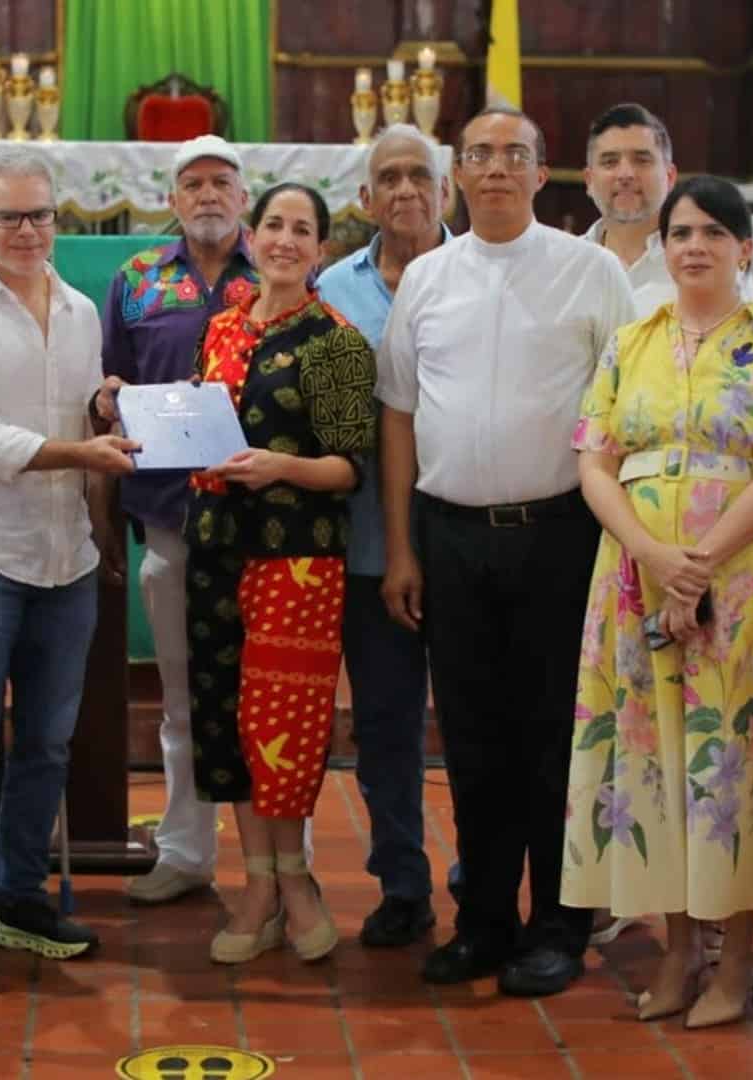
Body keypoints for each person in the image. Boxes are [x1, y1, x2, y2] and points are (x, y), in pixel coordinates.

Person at [378, 107, 637, 997]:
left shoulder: (592, 272)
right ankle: (483, 920)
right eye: (480, 155)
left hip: (560, 536)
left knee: (552, 742)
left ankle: (558, 925)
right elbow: (401, 413)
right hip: (449, 538)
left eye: (513, 155)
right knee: (473, 740)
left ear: (542, 171)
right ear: (458, 172)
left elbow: (623, 415)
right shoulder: (427, 278)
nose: (496, 169)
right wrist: (403, 548)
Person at [561, 176, 753, 1028]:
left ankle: (737, 957)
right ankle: (678, 949)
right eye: (681, 232)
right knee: (656, 760)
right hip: (633, 572)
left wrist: (700, 564)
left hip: (741, 581)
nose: (695, 245)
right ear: (663, 247)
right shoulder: (630, 341)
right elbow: (594, 462)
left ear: (746, 248)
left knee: (728, 763)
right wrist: (653, 557)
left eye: (715, 231)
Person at [110, 182, 374, 965]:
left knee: (284, 727)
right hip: (217, 548)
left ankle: (294, 881)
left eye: (302, 229)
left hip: (296, 558)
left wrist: (279, 466)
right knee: (227, 719)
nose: (285, 240)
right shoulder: (221, 330)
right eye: (274, 226)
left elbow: (348, 470)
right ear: (253, 241)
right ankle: (257, 882)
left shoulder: (335, 340)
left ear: (321, 250)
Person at [0, 148, 137, 985]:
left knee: (47, 742)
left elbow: (86, 424)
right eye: (7, 216)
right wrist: (85, 444)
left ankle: (18, 895)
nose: (26, 231)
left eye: (39, 215)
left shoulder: (79, 312)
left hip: (66, 558)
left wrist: (104, 418)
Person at [98, 135, 261, 906]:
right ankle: (187, 849)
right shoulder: (135, 280)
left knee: (260, 694)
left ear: (244, 197)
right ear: (171, 199)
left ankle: (273, 865)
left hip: (263, 525)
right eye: (192, 184)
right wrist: (109, 397)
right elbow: (109, 384)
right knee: (180, 697)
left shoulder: (281, 270)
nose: (206, 195)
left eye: (220, 183)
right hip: (168, 517)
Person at [313, 123, 449, 949]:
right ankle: (403, 883)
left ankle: (488, 883)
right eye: (387, 178)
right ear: (365, 200)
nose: (404, 190)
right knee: (388, 725)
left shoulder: (480, 275)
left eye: (419, 175)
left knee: (478, 726)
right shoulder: (331, 288)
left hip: (471, 532)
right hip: (367, 546)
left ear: (446, 190)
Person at [580, 102, 753, 323]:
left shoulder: (712, 261)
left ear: (670, 176)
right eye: (610, 162)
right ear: (589, 180)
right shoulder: (566, 266)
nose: (625, 174)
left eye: (641, 160)